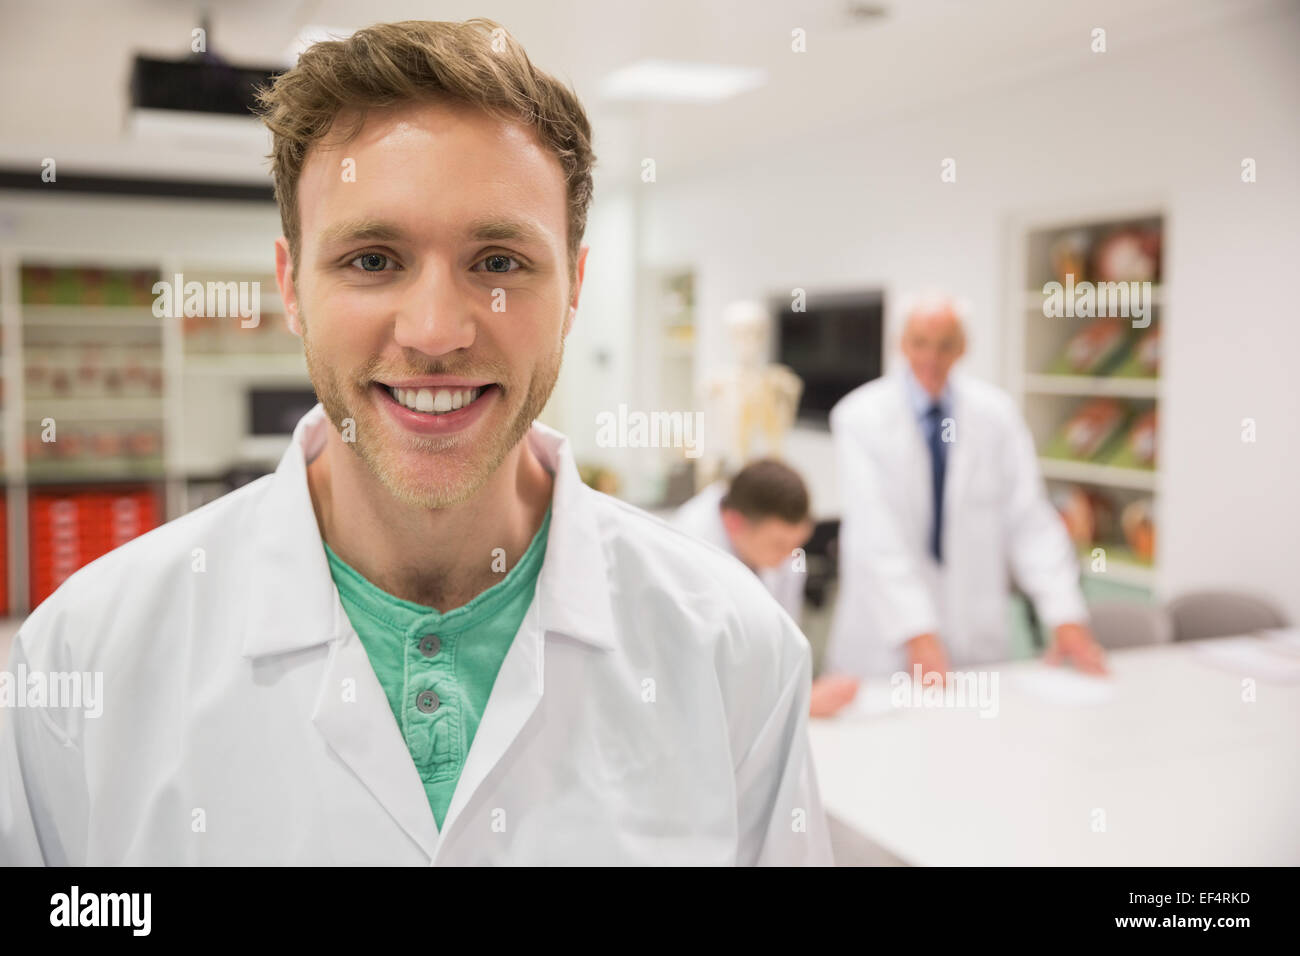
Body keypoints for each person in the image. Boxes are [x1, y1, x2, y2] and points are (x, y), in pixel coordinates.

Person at [0, 19, 832, 866]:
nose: (436, 332)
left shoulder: (735, 653)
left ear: (575, 287)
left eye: (500, 262)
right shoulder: (83, 662)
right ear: (292, 288)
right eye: (371, 259)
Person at [824, 293, 1107, 681]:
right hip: (885, 639)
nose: (931, 358)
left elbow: (1029, 522)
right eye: (920, 343)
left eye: (945, 345)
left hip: (973, 636)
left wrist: (1065, 615)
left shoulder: (997, 415)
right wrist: (916, 630)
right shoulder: (859, 417)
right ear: (901, 344)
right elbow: (876, 534)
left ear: (963, 348)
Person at [673, 461, 860, 717]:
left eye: (797, 544)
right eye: (779, 545)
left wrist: (799, 694)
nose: (788, 559)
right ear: (734, 523)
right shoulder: (687, 554)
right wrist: (797, 704)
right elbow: (702, 677)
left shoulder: (782, 550)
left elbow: (781, 641)